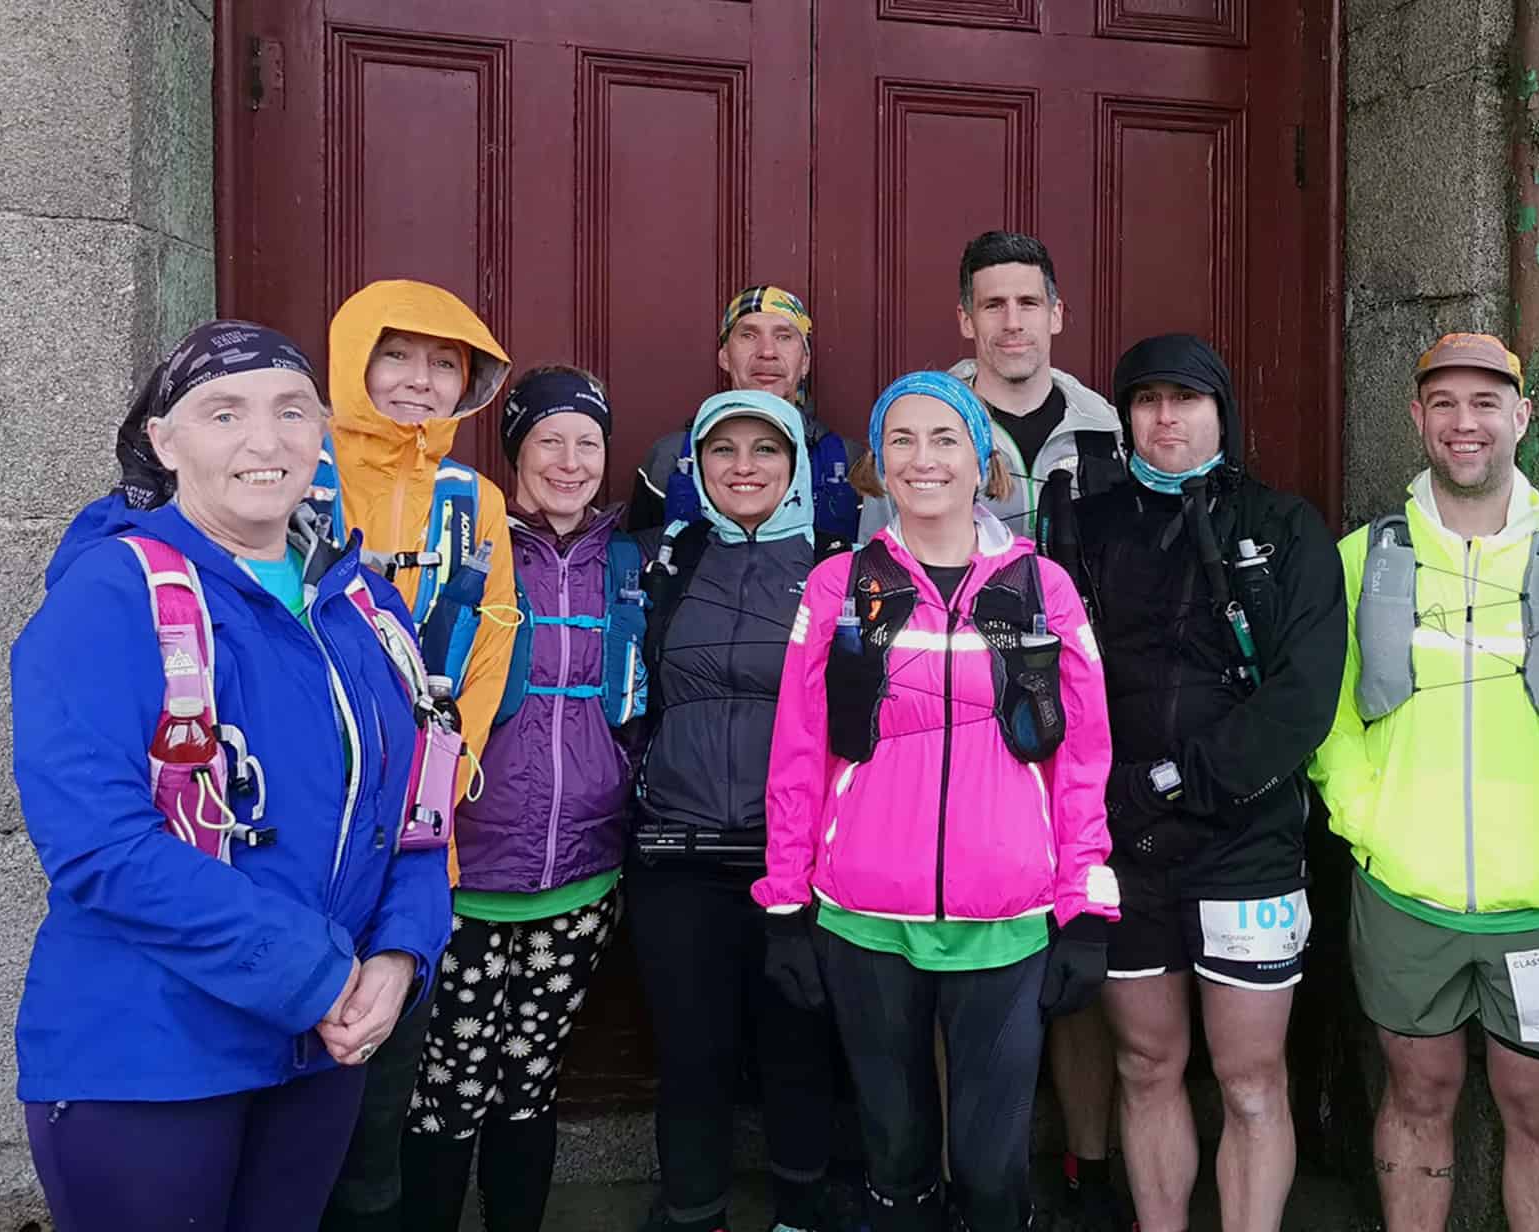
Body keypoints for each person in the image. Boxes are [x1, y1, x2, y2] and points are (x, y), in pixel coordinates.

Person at [11, 320, 453, 1231]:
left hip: (319, 1051)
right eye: (225, 413)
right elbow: (100, 848)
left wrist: (402, 954)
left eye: (294, 411)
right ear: (164, 442)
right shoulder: (107, 595)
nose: (267, 441)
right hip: (149, 1058)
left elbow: (418, 806)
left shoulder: (361, 600)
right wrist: (317, 975)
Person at [1309, 333, 1539, 1232]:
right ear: (1416, 417)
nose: (1463, 424)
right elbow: (1326, 715)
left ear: (1522, 416)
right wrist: (1365, 819)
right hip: (1405, 895)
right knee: (1417, 1091)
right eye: (1443, 404)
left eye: (1484, 404)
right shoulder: (1358, 563)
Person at [755, 371, 1122, 1232]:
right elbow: (799, 753)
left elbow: (1082, 758)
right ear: (879, 463)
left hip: (1008, 919)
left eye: (945, 438)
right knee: (896, 1159)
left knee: (993, 1173)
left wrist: (1085, 905)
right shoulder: (839, 588)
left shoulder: (1041, 590)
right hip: (862, 918)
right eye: (904, 441)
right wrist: (782, 903)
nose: (925, 460)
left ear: (980, 457)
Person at [853, 232, 1130, 1221]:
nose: (1011, 321)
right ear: (964, 318)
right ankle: (935, 1177)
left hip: (1075, 714)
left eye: (1028, 302)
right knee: (952, 968)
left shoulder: (1107, 429)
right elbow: (868, 599)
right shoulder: (925, 421)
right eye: (991, 304)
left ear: (1056, 313)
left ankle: (1085, 1167)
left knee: (1068, 967)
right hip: (945, 754)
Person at [1068, 334, 1348, 1232]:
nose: (1165, 417)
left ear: (1222, 411)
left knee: (1251, 1079)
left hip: (1246, 841)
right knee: (1145, 1067)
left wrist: (1181, 783)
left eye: (1185, 399)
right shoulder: (1090, 525)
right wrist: (1115, 800)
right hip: (1123, 846)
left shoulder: (1287, 525)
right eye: (1146, 399)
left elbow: (1305, 696)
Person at [398, 367, 645, 1232]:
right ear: (515, 453)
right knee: (449, 1086)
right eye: (550, 440)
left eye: (588, 443)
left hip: (582, 876)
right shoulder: (469, 545)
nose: (570, 462)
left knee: (531, 1081)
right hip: (466, 871)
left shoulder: (628, 558)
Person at [317, 280, 520, 1232]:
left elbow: (493, 631)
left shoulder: (472, 498)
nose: (419, 381)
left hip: (412, 846)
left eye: (446, 365)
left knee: (379, 1124)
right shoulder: (294, 466)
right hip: (301, 833)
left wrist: (445, 766)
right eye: (397, 355)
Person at [627, 388, 855, 1232]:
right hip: (675, 849)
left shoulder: (839, 564)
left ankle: (801, 1209)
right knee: (692, 1055)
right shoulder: (666, 558)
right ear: (698, 467)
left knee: (800, 1047)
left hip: (792, 859)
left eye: (767, 450)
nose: (745, 467)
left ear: (796, 464)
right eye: (724, 451)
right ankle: (693, 1212)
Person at [633, 284, 861, 545]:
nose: (767, 351)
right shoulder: (670, 458)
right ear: (724, 356)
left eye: (784, 336)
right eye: (749, 335)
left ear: (806, 361)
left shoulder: (849, 462)